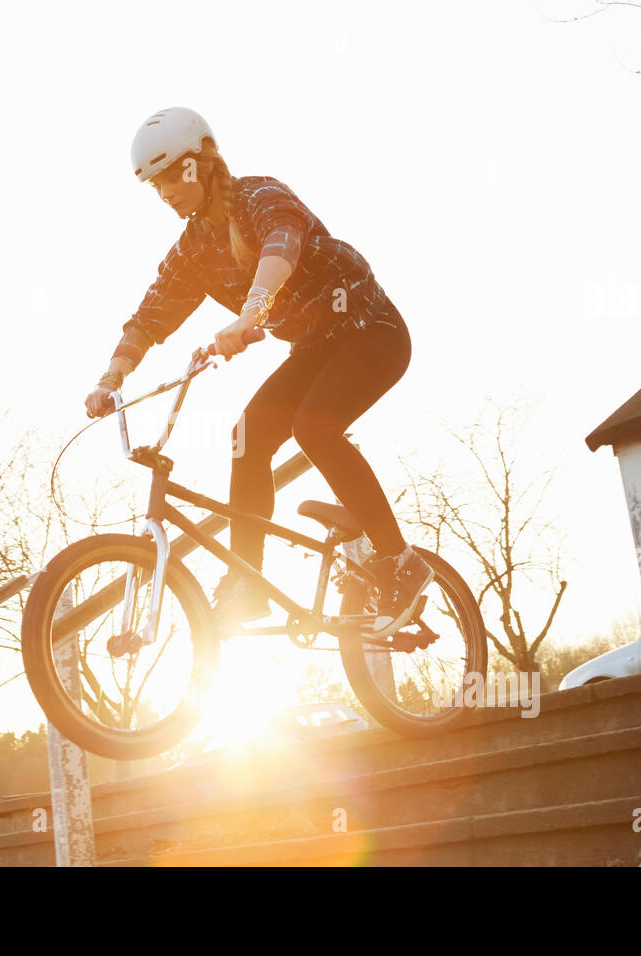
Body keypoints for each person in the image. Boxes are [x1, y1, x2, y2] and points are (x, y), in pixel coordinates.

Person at [84, 107, 433, 632]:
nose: (166, 193)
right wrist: (111, 377)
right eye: (156, 185)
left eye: (172, 176)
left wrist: (253, 313)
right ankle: (248, 582)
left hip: (370, 328)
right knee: (246, 437)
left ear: (202, 163)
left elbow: (281, 247)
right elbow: (151, 314)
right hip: (317, 349)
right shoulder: (194, 248)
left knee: (313, 425)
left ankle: (401, 563)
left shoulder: (259, 197)